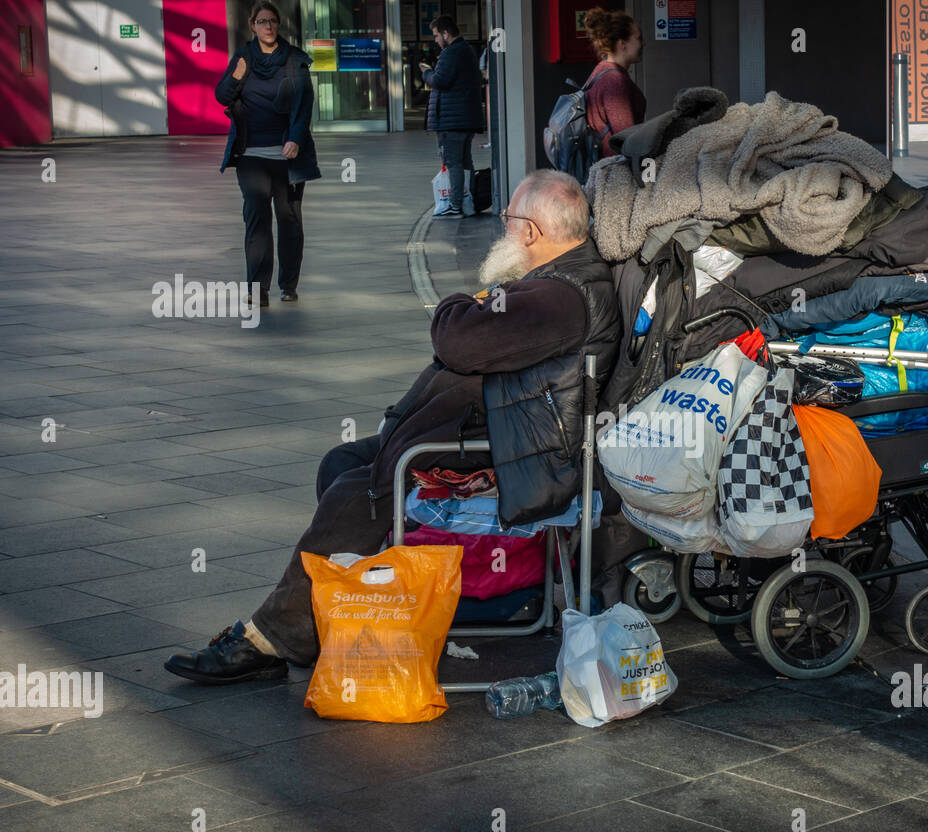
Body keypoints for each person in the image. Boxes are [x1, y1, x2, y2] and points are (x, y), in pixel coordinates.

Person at [163, 171, 621, 684]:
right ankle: (336, 614)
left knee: (358, 490)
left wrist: (456, 304)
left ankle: (272, 637)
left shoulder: (560, 294)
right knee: (342, 463)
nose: (504, 229)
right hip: (506, 434)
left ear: (533, 231)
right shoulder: (560, 282)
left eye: (509, 220)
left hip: (521, 452)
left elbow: (457, 343)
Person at [216, 1, 320, 305]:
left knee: (289, 221)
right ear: (253, 25)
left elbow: (304, 106)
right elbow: (221, 95)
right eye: (262, 21)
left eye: (273, 21)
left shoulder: (294, 60)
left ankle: (288, 284)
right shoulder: (243, 58)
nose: (268, 26)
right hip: (250, 155)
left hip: (287, 157)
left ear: (279, 24)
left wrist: (296, 139)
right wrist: (237, 75)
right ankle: (257, 288)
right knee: (256, 218)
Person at [419, 16, 483, 218]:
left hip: (451, 120)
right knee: (465, 162)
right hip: (464, 118)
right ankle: (467, 203)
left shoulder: (451, 53)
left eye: (437, 35)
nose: (436, 40)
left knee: (453, 162)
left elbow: (440, 81)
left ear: (446, 33)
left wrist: (426, 73)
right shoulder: (467, 51)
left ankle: (455, 206)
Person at [582, 8, 646, 158]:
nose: (644, 43)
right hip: (616, 172)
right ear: (622, 44)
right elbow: (627, 139)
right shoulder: (614, 81)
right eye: (638, 38)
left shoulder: (601, 71)